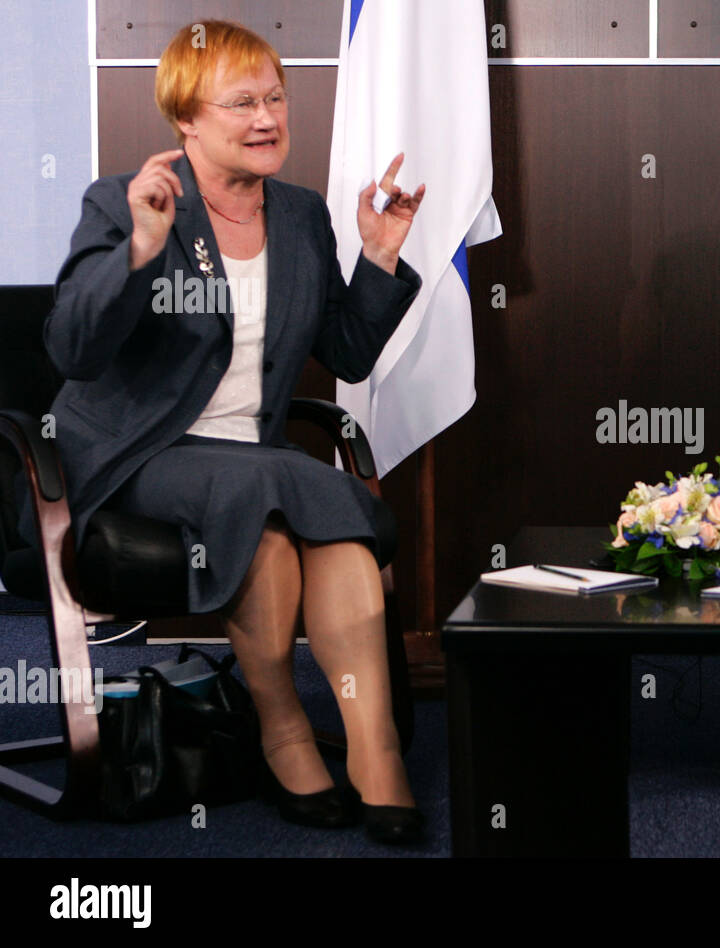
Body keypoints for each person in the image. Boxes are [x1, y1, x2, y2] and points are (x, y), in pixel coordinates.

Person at [17, 21, 428, 842]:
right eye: (241, 102)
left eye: (275, 97)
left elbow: (342, 349)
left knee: (294, 519)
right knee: (294, 487)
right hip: (140, 454)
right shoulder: (124, 199)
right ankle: (281, 732)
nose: (267, 116)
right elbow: (71, 346)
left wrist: (378, 258)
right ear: (187, 119)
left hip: (247, 464)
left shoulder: (304, 216)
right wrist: (138, 250)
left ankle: (373, 747)